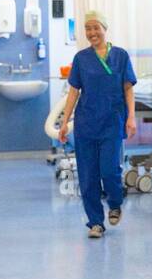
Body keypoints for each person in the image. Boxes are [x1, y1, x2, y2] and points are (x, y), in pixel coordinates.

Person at [58, 12, 138, 239]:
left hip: (112, 121)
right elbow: (74, 91)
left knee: (110, 171)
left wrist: (131, 117)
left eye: (96, 28)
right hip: (86, 123)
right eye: (87, 29)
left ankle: (114, 203)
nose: (92, 33)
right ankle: (95, 222)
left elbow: (128, 88)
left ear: (105, 28)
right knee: (88, 175)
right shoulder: (81, 58)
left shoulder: (120, 56)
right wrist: (65, 122)